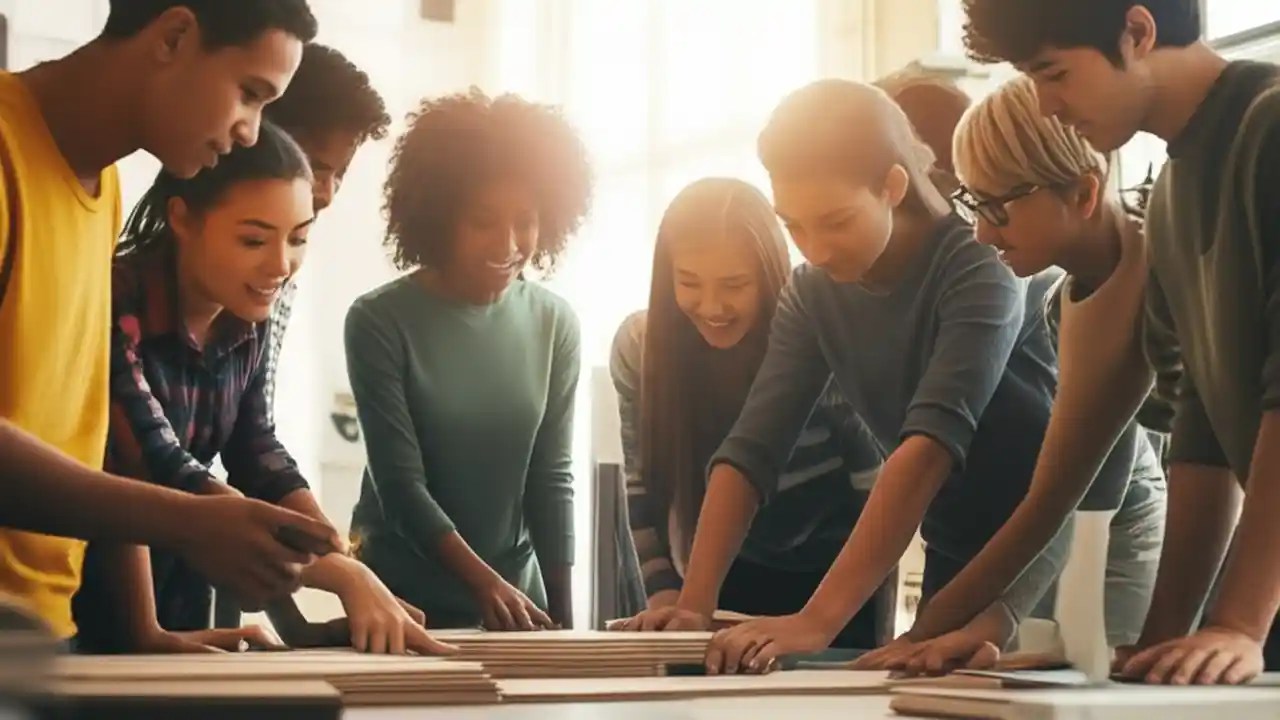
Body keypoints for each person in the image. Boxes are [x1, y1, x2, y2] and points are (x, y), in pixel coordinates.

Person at [632, 79, 1077, 675]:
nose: (813, 249)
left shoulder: (981, 259)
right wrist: (695, 604)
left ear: (892, 187)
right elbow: (750, 450)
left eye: (834, 221)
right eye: (794, 226)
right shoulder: (812, 291)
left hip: (1062, 536)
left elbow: (930, 446)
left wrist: (817, 621)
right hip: (957, 545)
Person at [0, 0, 340, 646]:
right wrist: (183, 521)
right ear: (175, 36)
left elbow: (95, 444)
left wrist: (145, 633)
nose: (250, 132)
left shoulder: (104, 195)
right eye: (250, 93)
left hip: (44, 637)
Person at [961, 0, 1280, 685]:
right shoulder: (1168, 199)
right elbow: (1201, 441)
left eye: (1055, 74)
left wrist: (1239, 622)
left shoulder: (1271, 129)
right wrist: (1162, 642)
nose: (1047, 107)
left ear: (1137, 33)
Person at [70, 121, 452, 657]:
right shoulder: (114, 300)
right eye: (253, 239)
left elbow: (256, 452)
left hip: (173, 613)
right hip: (71, 622)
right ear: (182, 218)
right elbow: (156, 464)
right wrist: (342, 577)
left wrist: (342, 563)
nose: (280, 266)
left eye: (298, 238)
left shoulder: (249, 313)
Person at [855, 74, 1170, 675]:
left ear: (1082, 194)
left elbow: (1101, 486)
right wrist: (963, 627)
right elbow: (1055, 502)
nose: (980, 232)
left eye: (996, 206)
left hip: (1183, 534)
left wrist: (1200, 625)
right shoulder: (1059, 303)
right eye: (973, 204)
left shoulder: (1162, 268)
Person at [346, 89, 592, 631]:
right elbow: (401, 488)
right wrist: (483, 584)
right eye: (483, 220)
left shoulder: (555, 323)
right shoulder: (379, 321)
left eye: (525, 221)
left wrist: (567, 626)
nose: (507, 244)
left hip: (512, 607)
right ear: (439, 215)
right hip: (397, 606)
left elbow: (551, 481)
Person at [608, 177, 885, 648]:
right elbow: (641, 486)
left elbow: (875, 492)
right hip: (708, 576)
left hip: (832, 583)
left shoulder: (823, 342)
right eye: (689, 283)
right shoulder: (640, 349)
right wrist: (667, 600)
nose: (712, 307)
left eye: (734, 285)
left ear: (770, 273)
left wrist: (842, 618)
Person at [259, 42, 392, 417]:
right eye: (316, 168)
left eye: (340, 174)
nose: (327, 194)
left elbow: (256, 431)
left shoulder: (282, 274)